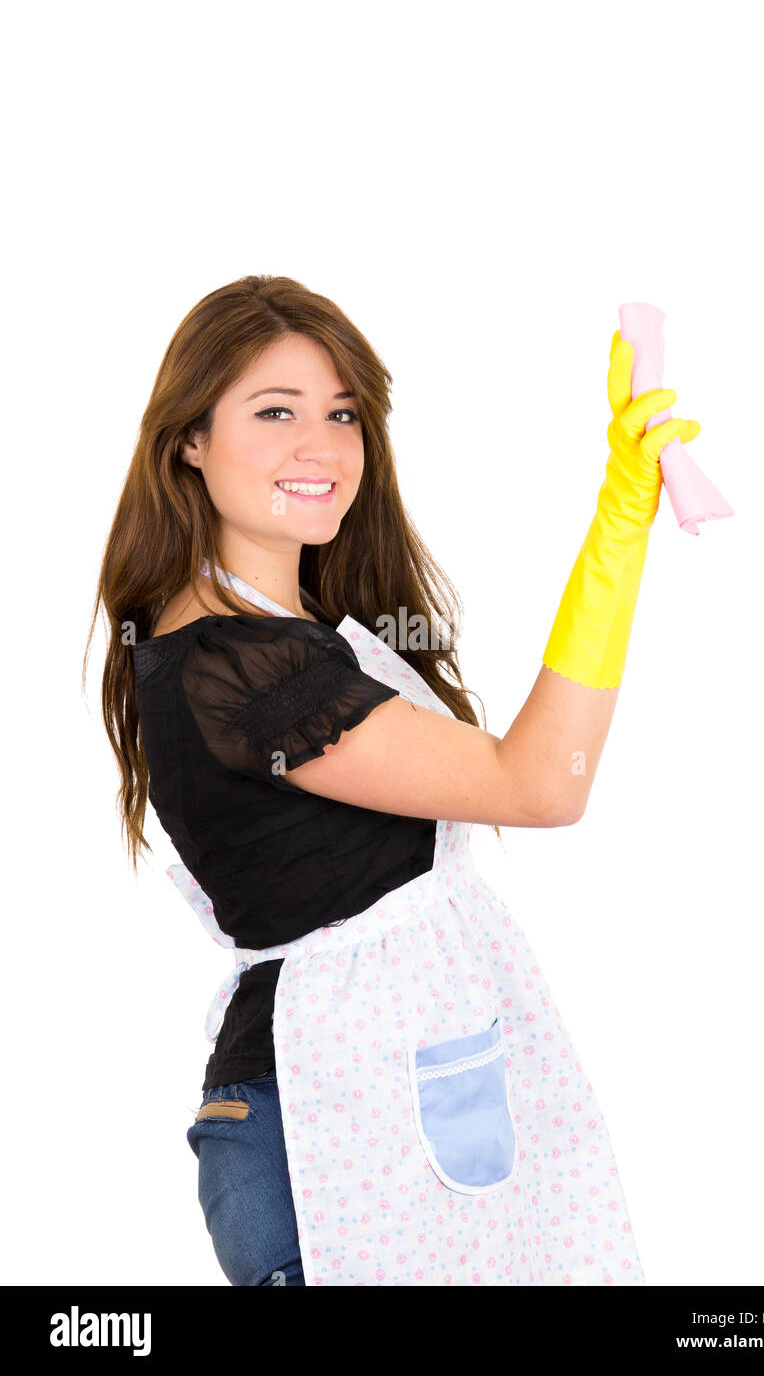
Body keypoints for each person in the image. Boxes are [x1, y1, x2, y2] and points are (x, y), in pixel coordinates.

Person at [86, 273, 700, 1287]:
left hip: (359, 1105)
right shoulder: (241, 667)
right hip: (322, 1133)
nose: (321, 446)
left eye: (343, 413)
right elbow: (543, 783)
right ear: (189, 439)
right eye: (274, 411)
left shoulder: (293, 638)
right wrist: (620, 526)